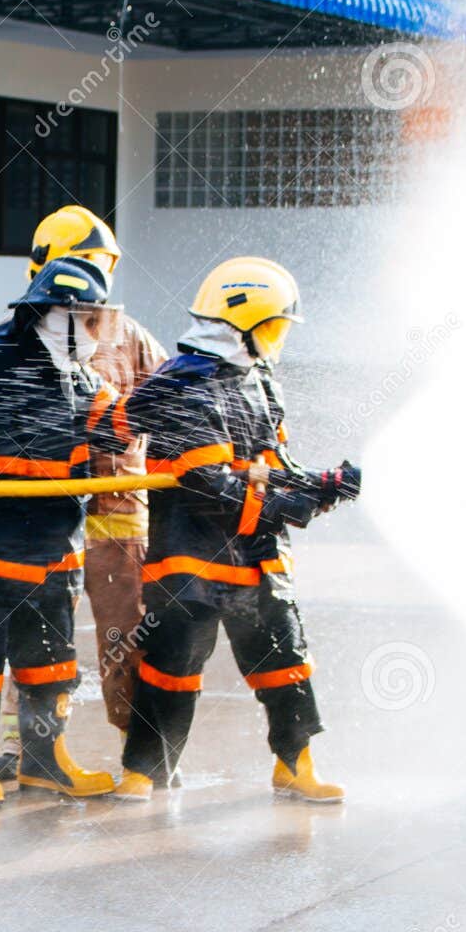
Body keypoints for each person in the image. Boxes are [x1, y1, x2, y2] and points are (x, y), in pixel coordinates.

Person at [114, 257, 358, 803]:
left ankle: (296, 765)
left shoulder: (260, 381)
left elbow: (274, 465)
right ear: (237, 320)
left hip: (256, 554)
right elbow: (206, 483)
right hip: (191, 553)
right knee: (171, 663)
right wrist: (284, 507)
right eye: (272, 326)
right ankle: (144, 769)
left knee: (285, 660)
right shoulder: (182, 381)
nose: (277, 340)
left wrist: (323, 485)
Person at [0, 257, 130, 806]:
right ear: (56, 315)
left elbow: (112, 424)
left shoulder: (78, 375)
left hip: (52, 557)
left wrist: (169, 418)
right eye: (87, 319)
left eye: (97, 321)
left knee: (51, 666)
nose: (94, 332)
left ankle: (43, 763)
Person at [0, 206, 168, 781]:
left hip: (117, 520)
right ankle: (23, 749)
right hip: (45, 518)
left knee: (125, 638)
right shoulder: (22, 337)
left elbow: (171, 407)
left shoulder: (128, 335)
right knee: (36, 637)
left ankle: (140, 750)